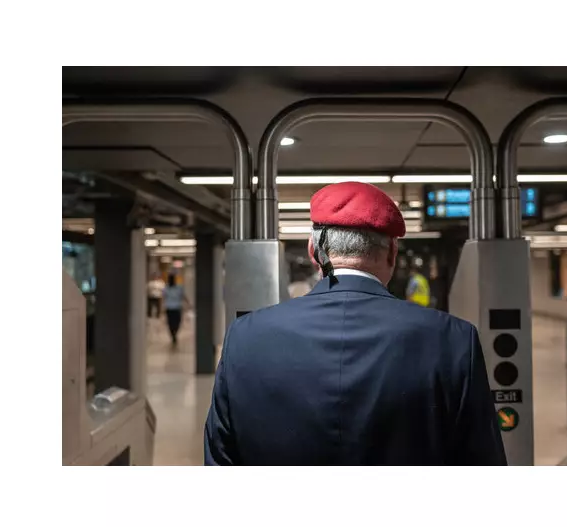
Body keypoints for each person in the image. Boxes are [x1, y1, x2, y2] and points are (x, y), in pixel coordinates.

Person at [204, 181, 506, 465]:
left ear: (314, 250)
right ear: (392, 252)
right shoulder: (453, 340)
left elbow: (220, 456)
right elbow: (482, 462)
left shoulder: (245, 337)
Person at [163, 273, 189, 344]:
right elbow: (183, 296)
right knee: (174, 322)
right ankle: (174, 334)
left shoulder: (177, 288)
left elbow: (183, 296)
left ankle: (174, 334)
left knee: (173, 322)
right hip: (174, 308)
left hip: (173, 307)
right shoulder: (167, 288)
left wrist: (187, 303)